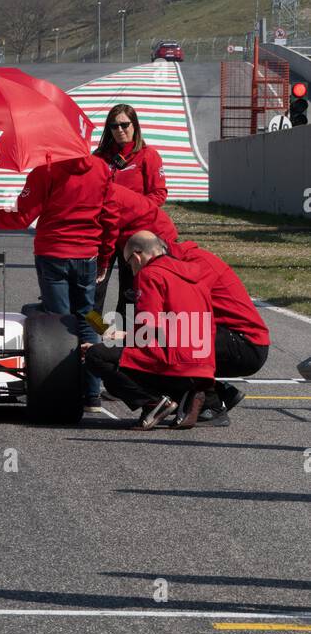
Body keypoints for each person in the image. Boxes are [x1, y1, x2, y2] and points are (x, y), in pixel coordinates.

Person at [0, 153, 116, 412]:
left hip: (54, 253)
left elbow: (21, 217)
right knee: (89, 315)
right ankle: (93, 393)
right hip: (88, 254)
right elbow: (110, 215)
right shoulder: (102, 168)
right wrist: (105, 256)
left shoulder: (45, 171)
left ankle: (62, 387)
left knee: (58, 321)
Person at [85, 231, 216, 430]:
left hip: (174, 360)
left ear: (137, 256)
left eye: (129, 263)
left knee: (97, 356)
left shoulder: (150, 274)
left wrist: (121, 337)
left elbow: (149, 327)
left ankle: (152, 403)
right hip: (202, 362)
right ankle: (185, 395)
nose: (131, 268)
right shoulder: (195, 275)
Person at [165, 240, 270, 425]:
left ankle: (211, 404)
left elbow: (181, 311)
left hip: (246, 343)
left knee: (173, 343)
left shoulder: (195, 265)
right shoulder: (171, 263)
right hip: (236, 338)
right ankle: (221, 393)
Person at [94, 105, 167, 323]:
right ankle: (92, 338)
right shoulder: (99, 157)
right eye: (114, 126)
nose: (120, 130)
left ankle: (122, 344)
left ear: (134, 126)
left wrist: (135, 209)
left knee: (130, 294)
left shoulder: (148, 156)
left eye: (125, 124)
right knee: (93, 293)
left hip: (133, 236)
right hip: (103, 234)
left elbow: (159, 194)